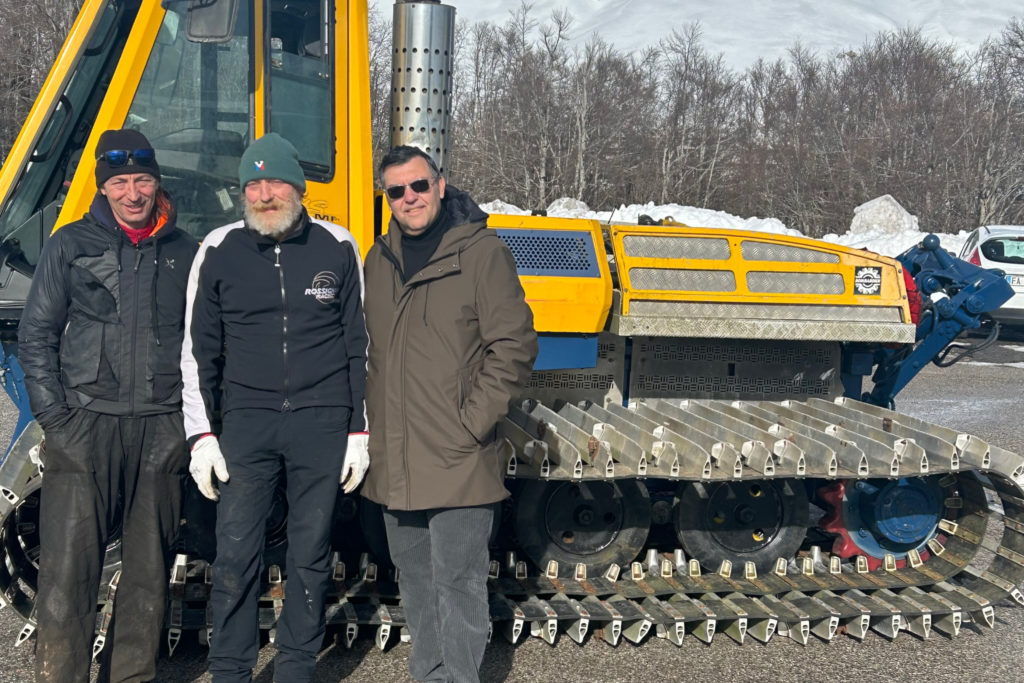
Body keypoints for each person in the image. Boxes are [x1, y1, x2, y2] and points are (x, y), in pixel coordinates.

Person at [181, 132, 368, 683]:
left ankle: (294, 668)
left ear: (298, 187)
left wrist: (360, 430)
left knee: (310, 556)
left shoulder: (338, 246)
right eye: (253, 184)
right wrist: (201, 436)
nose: (264, 194)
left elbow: (360, 344)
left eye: (275, 182)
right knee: (235, 557)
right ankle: (231, 671)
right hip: (246, 423)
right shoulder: (217, 250)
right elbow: (197, 351)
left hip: (321, 421)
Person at [18, 129, 198, 682]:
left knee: (147, 577)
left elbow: (207, 346)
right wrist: (57, 422)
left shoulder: (185, 253)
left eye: (142, 179)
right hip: (85, 428)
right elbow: (36, 337)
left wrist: (183, 427)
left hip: (159, 430)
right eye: (119, 182)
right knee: (69, 575)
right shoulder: (70, 244)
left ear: (157, 182)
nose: (132, 192)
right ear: (103, 186)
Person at [361, 146, 537, 683]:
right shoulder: (378, 260)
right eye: (396, 191)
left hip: (458, 455)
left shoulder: (481, 252)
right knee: (414, 580)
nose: (409, 198)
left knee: (458, 584)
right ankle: (428, 674)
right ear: (386, 199)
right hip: (396, 459)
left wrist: (473, 421)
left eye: (419, 185)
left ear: (440, 184)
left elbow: (514, 344)